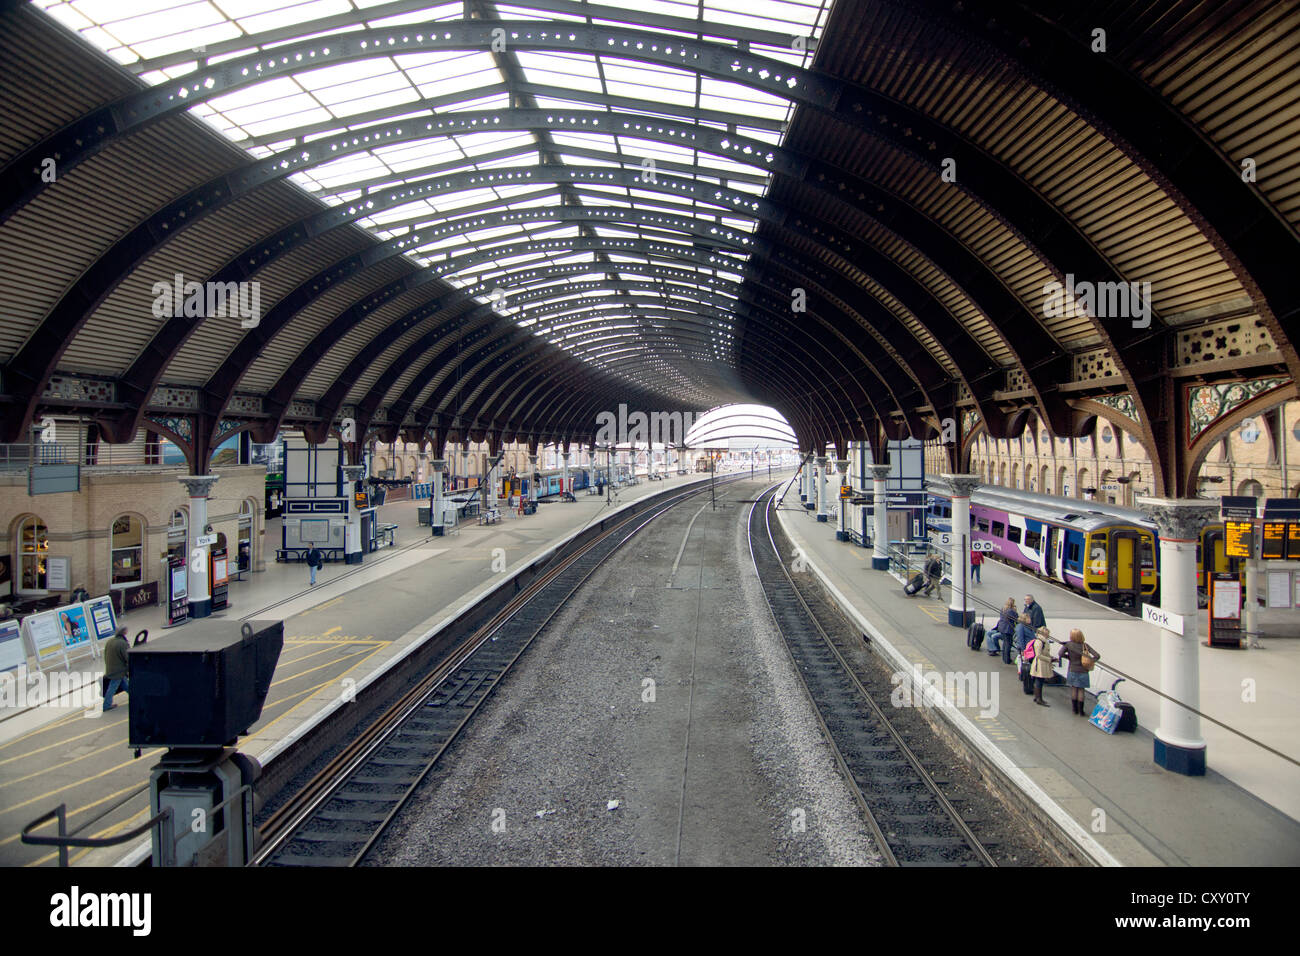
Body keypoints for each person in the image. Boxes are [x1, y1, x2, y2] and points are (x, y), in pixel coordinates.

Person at [1058, 628, 1101, 716]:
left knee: (1074, 689)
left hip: (1072, 669)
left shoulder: (1068, 644)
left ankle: (1074, 709)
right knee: (1081, 690)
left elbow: (1060, 654)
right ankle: (1081, 711)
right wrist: (1090, 661)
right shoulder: (1085, 645)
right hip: (1083, 671)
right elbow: (1097, 655)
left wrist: (1068, 657)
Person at [102, 627, 130, 711]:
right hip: (118, 671)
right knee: (112, 688)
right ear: (124, 633)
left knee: (125, 684)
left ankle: (136, 697)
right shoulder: (122, 643)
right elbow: (128, 657)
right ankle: (106, 705)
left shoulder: (110, 641)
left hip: (111, 668)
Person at [1029, 626, 1054, 706]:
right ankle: (1039, 699)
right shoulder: (1040, 642)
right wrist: (1049, 659)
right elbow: (1038, 655)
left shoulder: (1042, 641)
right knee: (1039, 681)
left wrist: (1050, 657)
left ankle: (1037, 697)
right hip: (1040, 664)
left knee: (1039, 681)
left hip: (1042, 663)